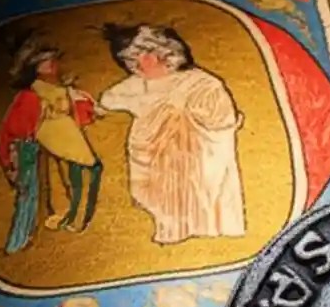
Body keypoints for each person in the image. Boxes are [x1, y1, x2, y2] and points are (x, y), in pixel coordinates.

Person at [97, 23, 245, 245]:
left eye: (144, 56)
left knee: (194, 192)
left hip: (194, 152)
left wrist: (182, 114)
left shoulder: (199, 82)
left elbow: (219, 116)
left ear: (164, 53)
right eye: (131, 60)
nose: (138, 65)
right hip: (155, 156)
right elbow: (109, 99)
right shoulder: (138, 84)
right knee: (161, 195)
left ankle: (203, 229)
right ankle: (170, 231)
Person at [0, 33, 102, 252]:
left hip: (70, 141)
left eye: (53, 61)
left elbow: (79, 108)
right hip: (48, 147)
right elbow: (17, 127)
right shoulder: (31, 95)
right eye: (46, 63)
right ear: (35, 68)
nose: (53, 66)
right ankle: (63, 218)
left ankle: (77, 217)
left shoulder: (61, 89)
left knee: (83, 173)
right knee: (56, 182)